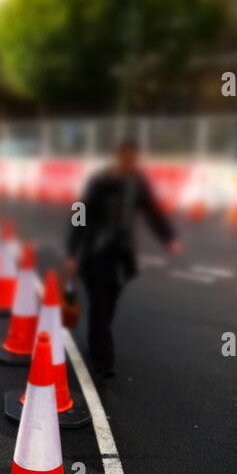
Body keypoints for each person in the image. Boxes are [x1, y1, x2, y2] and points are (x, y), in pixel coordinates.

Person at [64, 138, 181, 379]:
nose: (130, 162)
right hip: (95, 253)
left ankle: (97, 341)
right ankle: (103, 361)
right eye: (126, 157)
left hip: (121, 256)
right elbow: (80, 213)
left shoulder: (137, 183)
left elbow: (151, 210)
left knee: (108, 305)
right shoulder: (100, 182)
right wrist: (73, 252)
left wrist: (168, 237)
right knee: (99, 304)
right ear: (118, 156)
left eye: (134, 158)